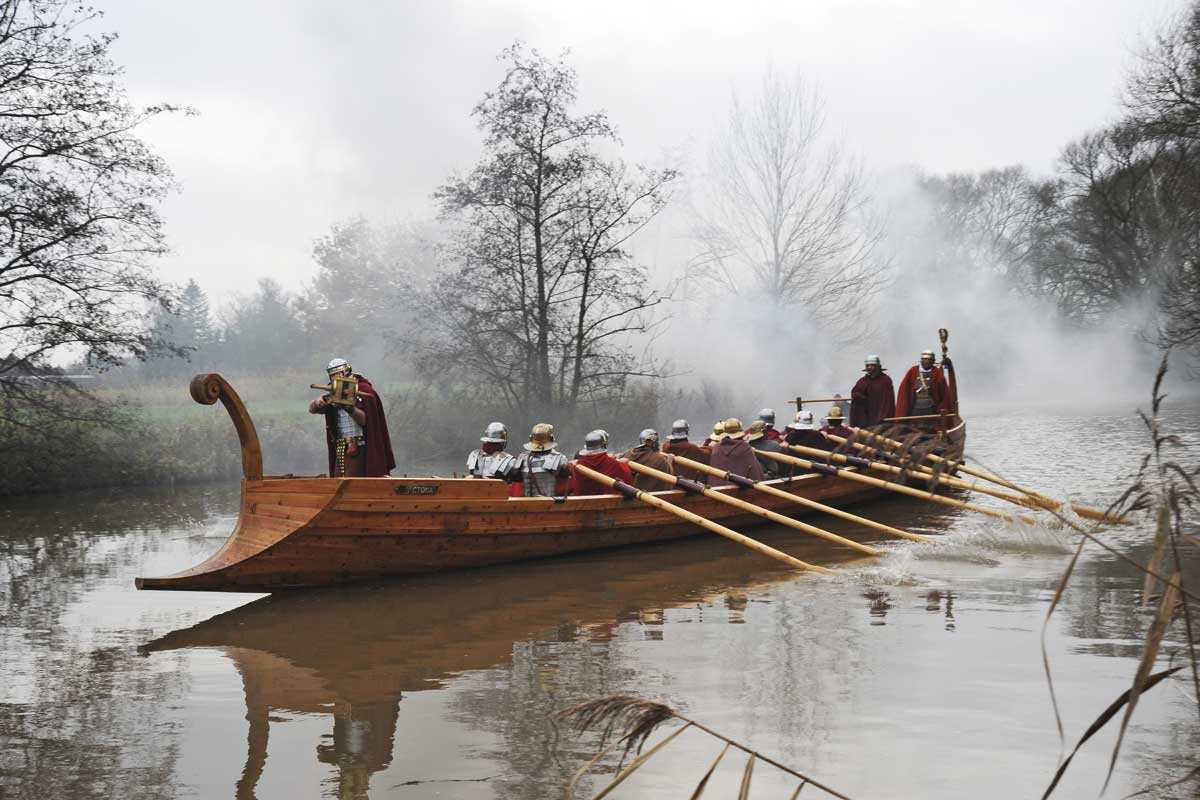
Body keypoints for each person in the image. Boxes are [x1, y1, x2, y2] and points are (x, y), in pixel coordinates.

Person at [308, 357, 396, 477]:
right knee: (338, 482)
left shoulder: (364, 390)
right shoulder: (334, 391)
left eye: (337, 374)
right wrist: (319, 402)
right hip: (340, 447)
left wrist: (347, 406)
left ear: (346, 372)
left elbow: (365, 421)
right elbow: (312, 409)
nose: (334, 377)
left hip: (360, 446)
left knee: (353, 483)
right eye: (332, 375)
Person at [506, 423, 570, 497]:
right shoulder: (559, 459)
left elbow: (515, 478)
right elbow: (566, 477)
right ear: (551, 438)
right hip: (549, 503)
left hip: (527, 503)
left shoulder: (522, 458)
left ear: (531, 439)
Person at [568, 430, 633, 495]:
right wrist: (624, 463)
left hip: (583, 500)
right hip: (608, 500)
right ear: (604, 445)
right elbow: (626, 474)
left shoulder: (579, 463)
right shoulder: (611, 463)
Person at [896, 349, 953, 419]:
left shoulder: (937, 373)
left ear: (933, 361)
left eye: (929, 360)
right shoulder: (913, 371)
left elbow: (944, 394)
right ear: (921, 360)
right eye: (924, 359)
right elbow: (904, 391)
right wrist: (903, 412)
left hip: (932, 410)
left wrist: (941, 410)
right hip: (915, 408)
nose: (926, 362)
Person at [707, 418, 765, 486]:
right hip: (741, 489)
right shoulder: (744, 447)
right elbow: (756, 472)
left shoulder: (716, 447)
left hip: (717, 488)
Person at [849, 354, 895, 428]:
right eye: (868, 365)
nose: (869, 367)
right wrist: (861, 397)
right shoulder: (863, 381)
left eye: (872, 365)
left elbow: (888, 401)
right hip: (868, 415)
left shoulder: (885, 380)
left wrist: (883, 417)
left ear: (878, 367)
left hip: (881, 414)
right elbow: (855, 393)